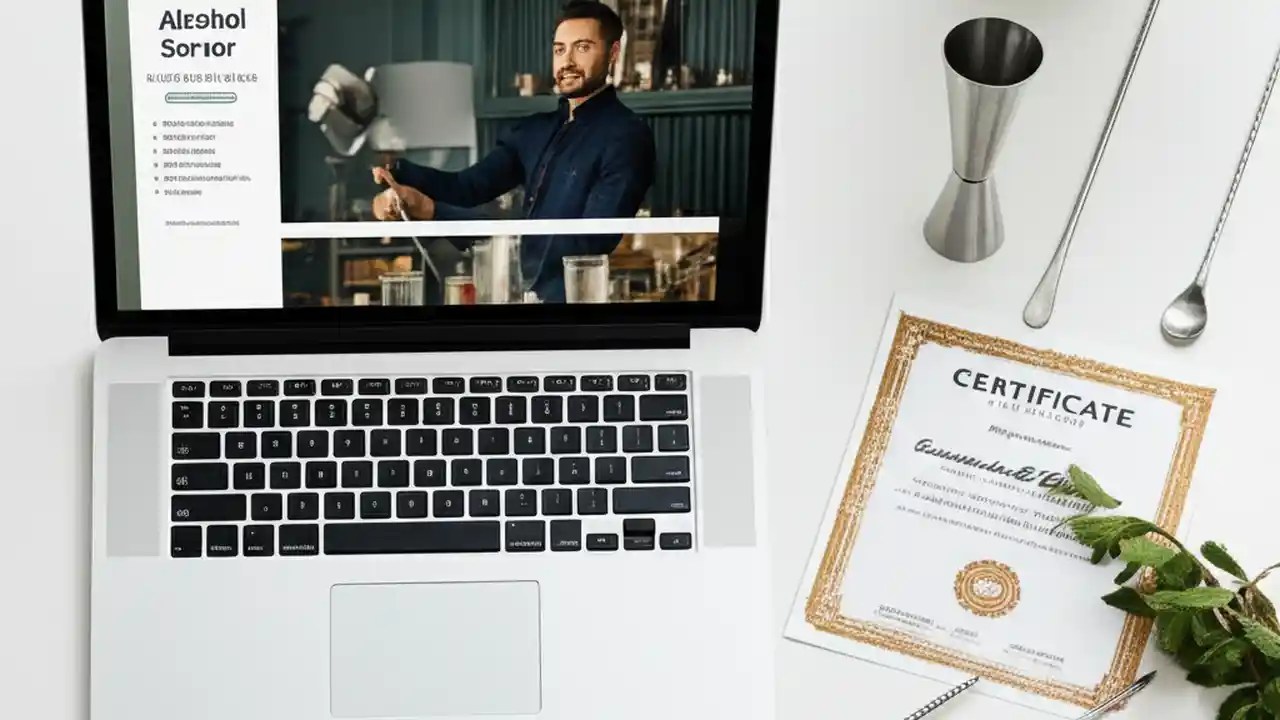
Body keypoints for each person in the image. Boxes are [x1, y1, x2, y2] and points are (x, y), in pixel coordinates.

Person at [371, 0, 656, 303]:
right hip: (522, 301)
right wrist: (399, 173)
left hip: (574, 310)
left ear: (613, 53)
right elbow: (467, 187)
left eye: (582, 48)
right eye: (559, 49)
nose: (567, 61)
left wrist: (431, 210)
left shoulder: (627, 135)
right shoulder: (534, 131)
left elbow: (591, 239)